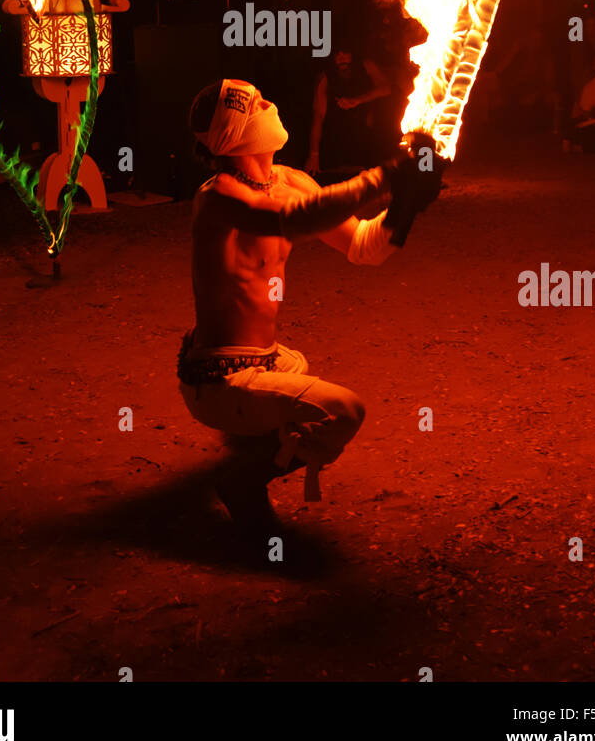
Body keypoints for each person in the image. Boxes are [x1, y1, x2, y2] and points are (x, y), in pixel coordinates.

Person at [178, 78, 440, 531]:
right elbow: (289, 221)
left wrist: (405, 207)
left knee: (298, 374)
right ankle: (244, 481)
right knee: (341, 411)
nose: (270, 101)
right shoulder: (217, 197)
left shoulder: (291, 180)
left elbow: (363, 246)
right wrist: (384, 176)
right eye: (256, 103)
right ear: (233, 133)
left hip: (270, 359)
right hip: (218, 379)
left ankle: (256, 437)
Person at [305, 45, 392, 178]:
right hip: (336, 136)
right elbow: (318, 117)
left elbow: (386, 88)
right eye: (336, 54)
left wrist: (358, 100)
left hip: (366, 133)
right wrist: (313, 155)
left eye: (345, 52)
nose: (341, 57)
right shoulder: (325, 77)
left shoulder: (367, 66)